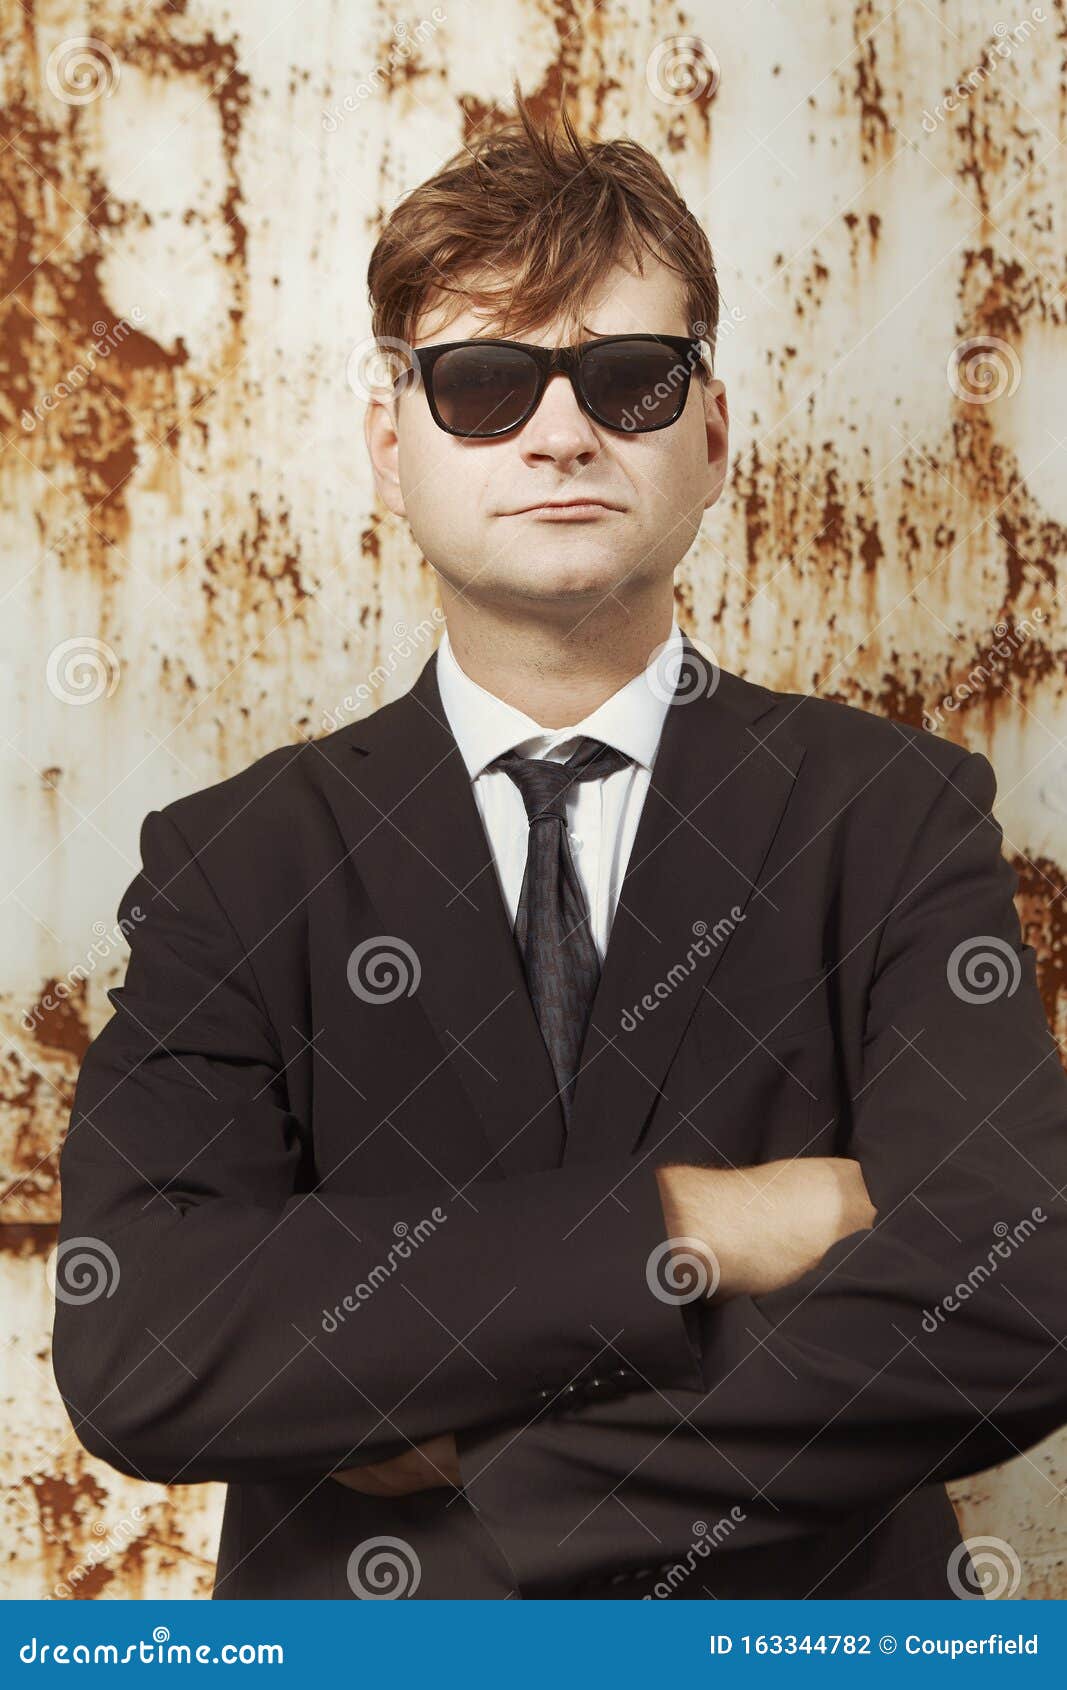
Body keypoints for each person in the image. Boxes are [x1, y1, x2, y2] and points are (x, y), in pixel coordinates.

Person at [52, 89, 1067, 1602]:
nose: (562, 433)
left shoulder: (895, 815)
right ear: (392, 445)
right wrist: (698, 1222)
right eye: (484, 385)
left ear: (711, 431)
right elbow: (143, 1338)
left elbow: (1017, 1292)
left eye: (629, 378)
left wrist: (486, 1466)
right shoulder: (236, 864)